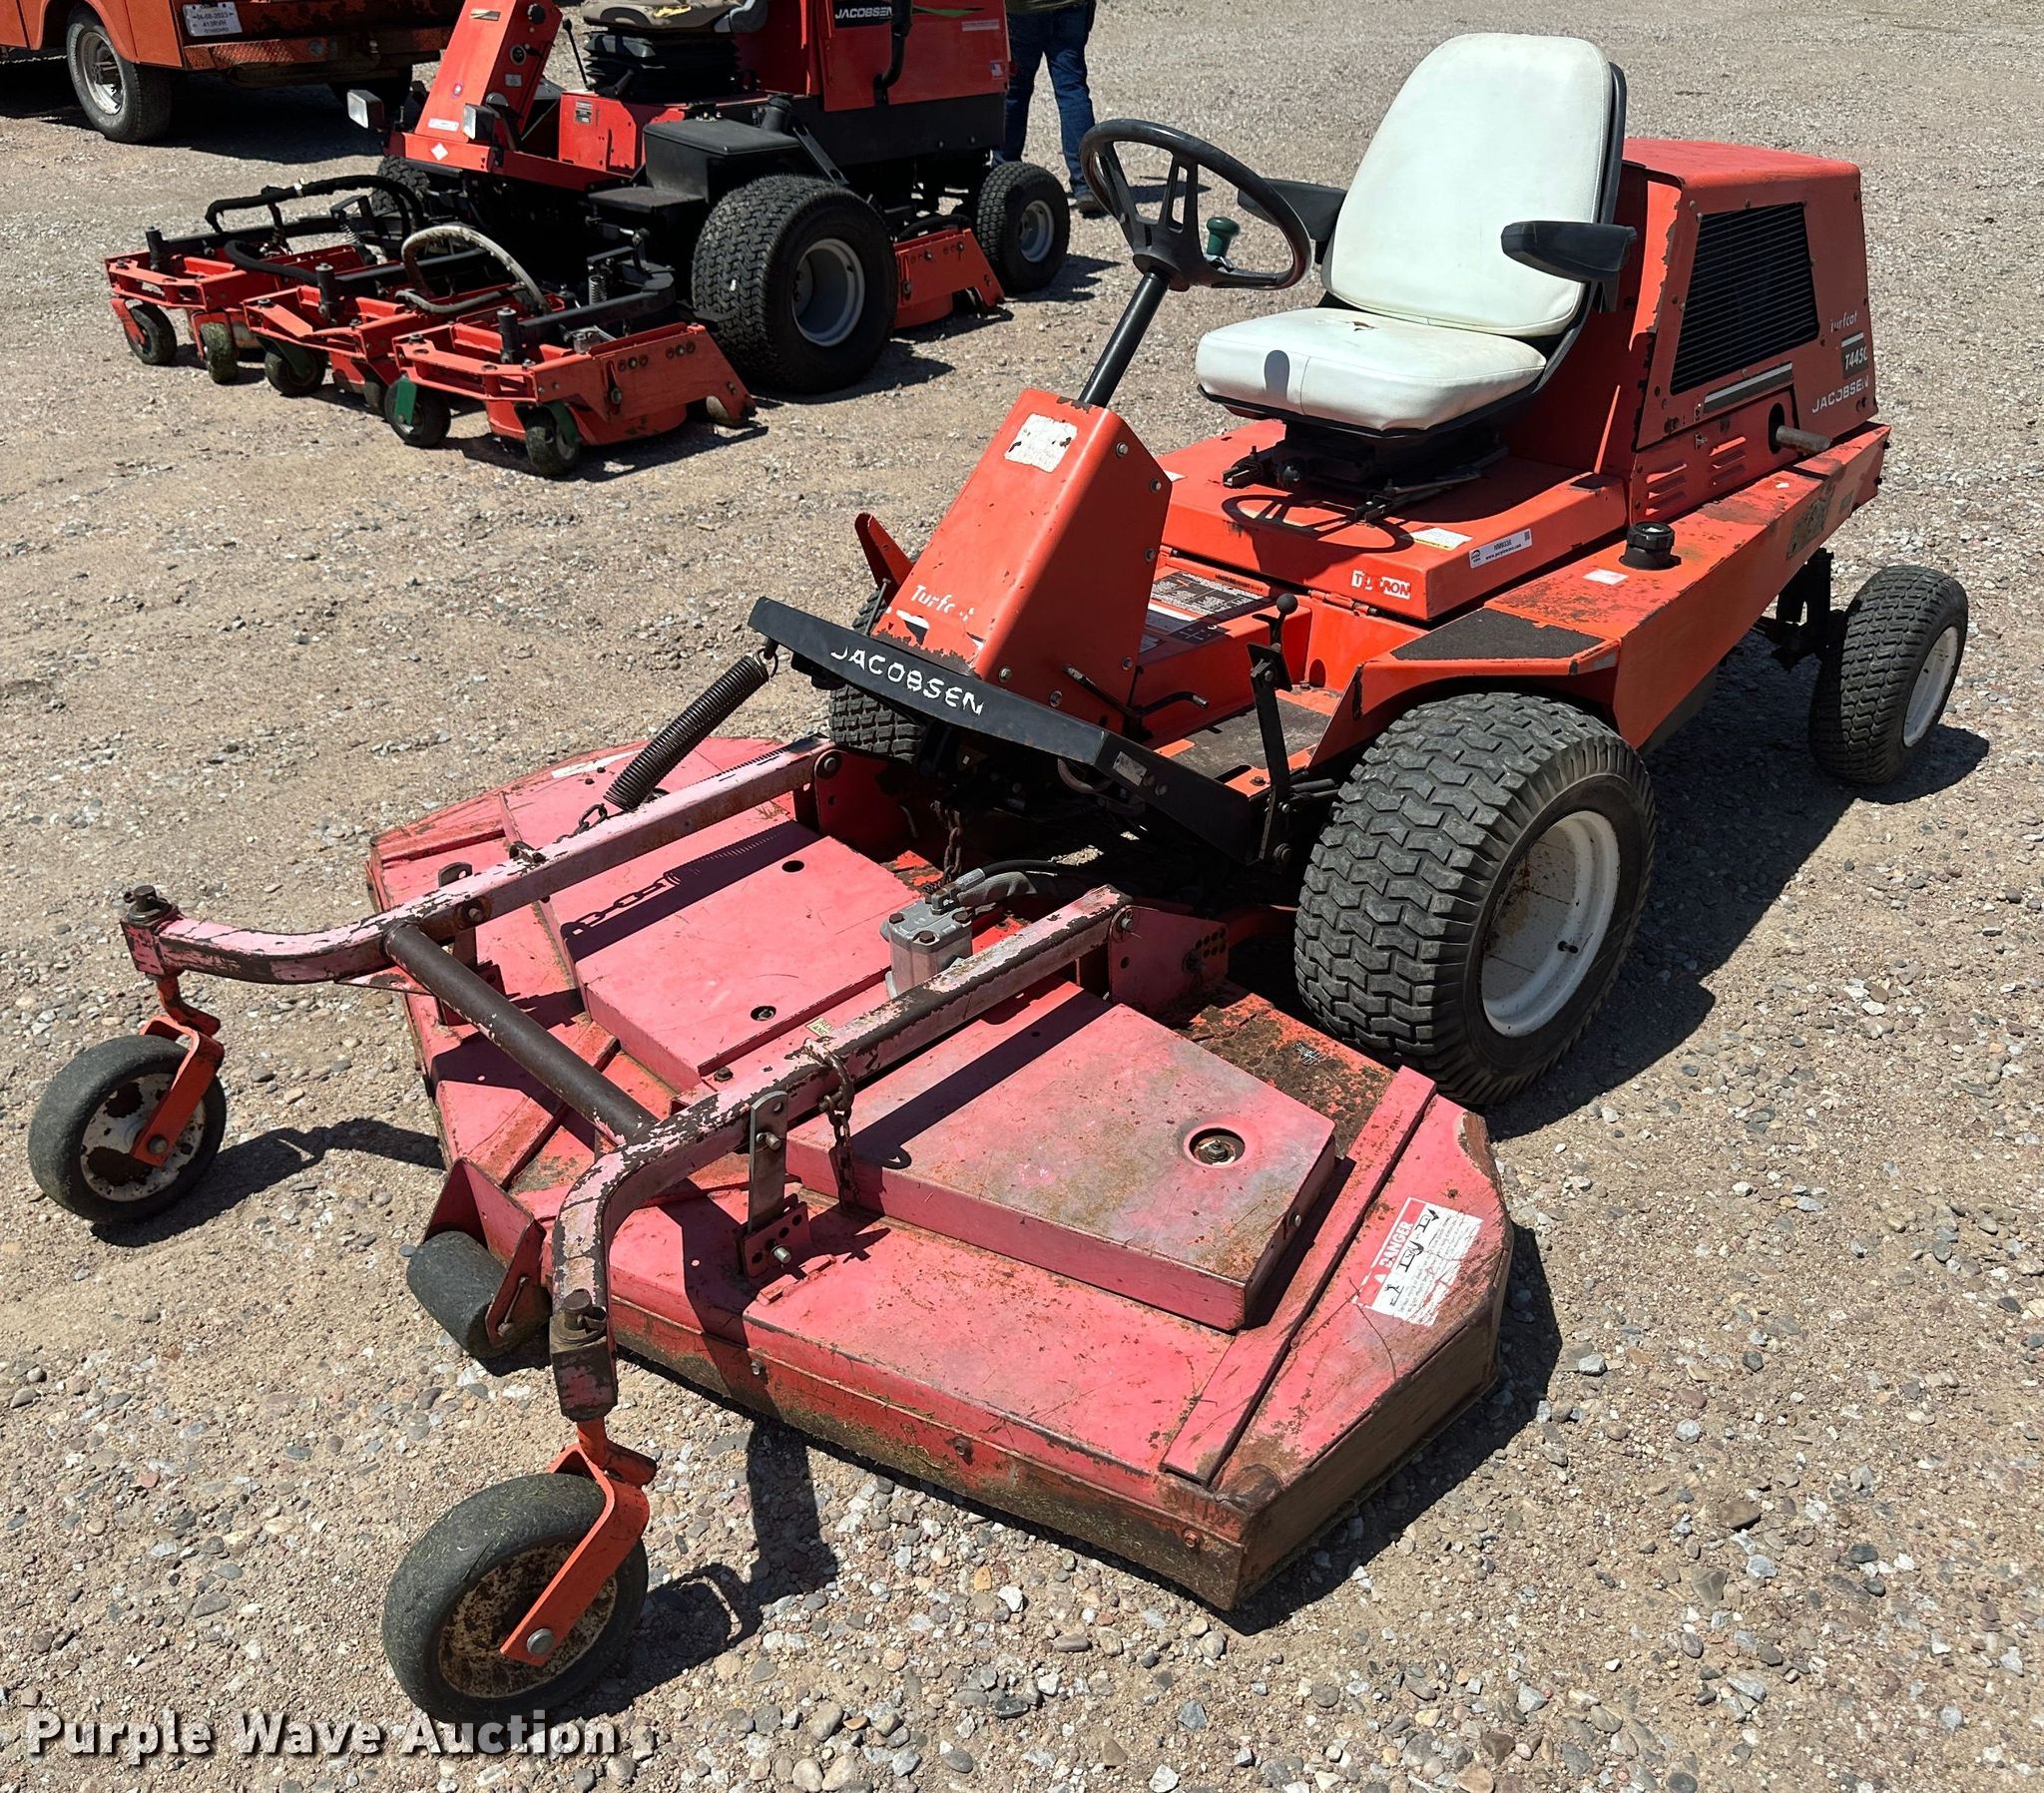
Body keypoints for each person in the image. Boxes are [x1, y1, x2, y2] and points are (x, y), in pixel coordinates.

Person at [1002, 0, 1105, 216]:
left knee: (1015, 91)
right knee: (1072, 89)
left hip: (1024, 9)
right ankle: (1086, 183)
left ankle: (1003, 174)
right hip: (1069, 6)